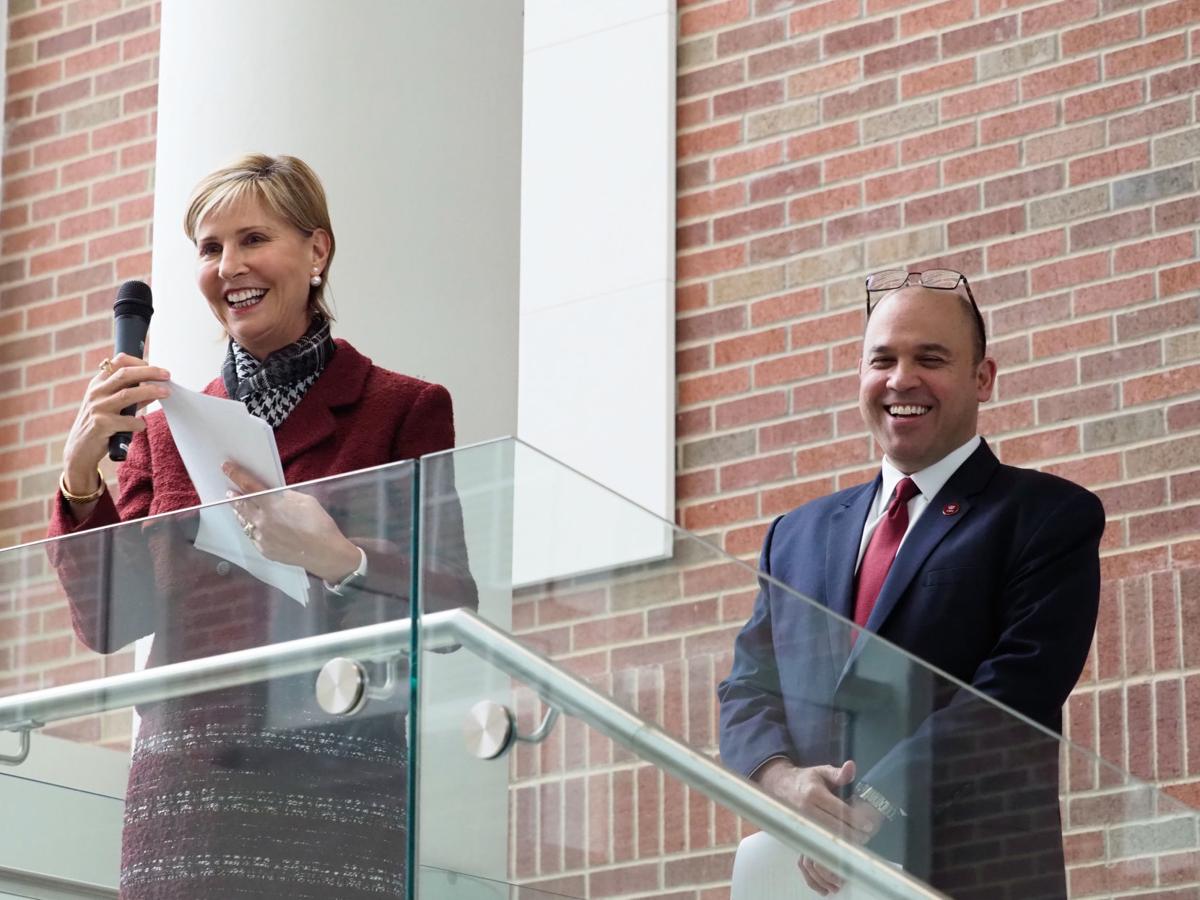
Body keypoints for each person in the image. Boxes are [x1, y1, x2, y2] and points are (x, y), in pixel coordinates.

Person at [46, 153, 476, 899]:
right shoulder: (162, 431)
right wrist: (80, 477)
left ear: (317, 251)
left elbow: (451, 600)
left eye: (252, 239)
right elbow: (114, 622)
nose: (228, 265)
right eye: (210, 249)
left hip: (333, 776)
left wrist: (338, 556)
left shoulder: (401, 409)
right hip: (188, 789)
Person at [718, 270, 1104, 899]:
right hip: (803, 880)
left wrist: (869, 809)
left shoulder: (1046, 517)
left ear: (983, 378)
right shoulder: (794, 535)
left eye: (931, 358)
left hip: (964, 880)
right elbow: (745, 687)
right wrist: (785, 782)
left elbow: (1011, 696)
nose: (901, 380)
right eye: (883, 359)